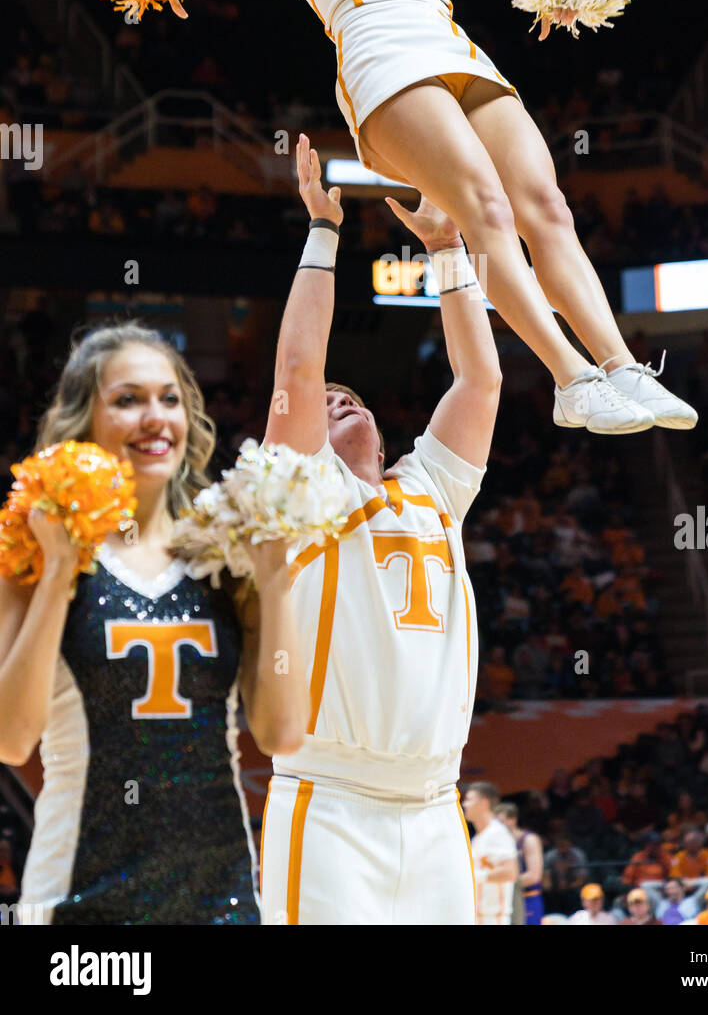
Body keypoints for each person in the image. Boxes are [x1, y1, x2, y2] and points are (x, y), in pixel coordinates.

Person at [169, 0, 697, 437]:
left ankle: (621, 367)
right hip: (384, 67)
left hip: (461, 57)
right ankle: (572, 378)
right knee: (488, 210)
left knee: (548, 208)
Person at [257, 136, 501, 925]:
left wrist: (448, 251)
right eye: (323, 406)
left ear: (386, 436)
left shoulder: (431, 488)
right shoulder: (302, 493)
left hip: (436, 805)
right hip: (328, 800)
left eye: (348, 396)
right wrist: (323, 232)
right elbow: (296, 369)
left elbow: (481, 379)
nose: (335, 399)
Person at [0, 323, 308, 924]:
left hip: (219, 894)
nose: (155, 417)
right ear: (83, 420)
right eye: (127, 400)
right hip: (78, 892)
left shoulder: (225, 554)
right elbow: (11, 739)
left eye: (169, 398)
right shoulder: (29, 549)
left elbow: (282, 734)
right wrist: (62, 567)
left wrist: (273, 585)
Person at [463, 783, 519, 926]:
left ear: (483, 803)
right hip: (477, 916)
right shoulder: (477, 838)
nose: (464, 804)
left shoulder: (497, 833)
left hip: (493, 918)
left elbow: (510, 872)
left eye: (469, 799)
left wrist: (473, 876)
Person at [496, 800, 545, 925]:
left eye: (501, 822)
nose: (497, 827)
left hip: (528, 899)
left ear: (513, 820)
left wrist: (500, 884)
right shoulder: (498, 843)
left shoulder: (529, 840)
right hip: (506, 900)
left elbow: (534, 876)